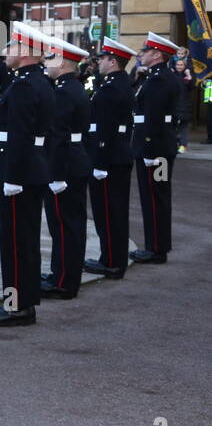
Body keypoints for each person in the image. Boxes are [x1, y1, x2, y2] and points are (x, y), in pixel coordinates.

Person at [0, 22, 54, 327]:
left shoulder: (26, 85)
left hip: (19, 174)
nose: (6, 51)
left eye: (11, 46)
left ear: (25, 52)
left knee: (14, 243)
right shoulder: (33, 81)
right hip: (27, 171)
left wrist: (12, 176)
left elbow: (21, 135)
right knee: (23, 241)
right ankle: (22, 303)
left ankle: (17, 307)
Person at [39, 37, 92, 300]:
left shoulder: (63, 92)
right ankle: (63, 276)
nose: (46, 63)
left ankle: (63, 282)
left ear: (61, 62)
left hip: (66, 166)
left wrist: (56, 174)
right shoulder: (73, 88)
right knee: (70, 225)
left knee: (63, 225)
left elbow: (58, 135)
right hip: (75, 161)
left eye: (50, 58)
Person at [83, 37, 136, 280]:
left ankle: (113, 263)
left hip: (109, 157)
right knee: (113, 212)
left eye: (103, 58)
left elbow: (106, 127)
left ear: (112, 61)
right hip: (116, 155)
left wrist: (100, 162)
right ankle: (112, 259)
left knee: (108, 212)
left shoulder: (113, 87)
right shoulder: (119, 83)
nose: (99, 62)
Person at [130, 32, 182, 265]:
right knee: (154, 196)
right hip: (155, 146)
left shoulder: (160, 79)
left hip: (156, 149)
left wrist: (149, 150)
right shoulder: (154, 77)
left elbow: (155, 117)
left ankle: (156, 249)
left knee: (155, 197)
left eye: (145, 51)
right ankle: (156, 246)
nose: (141, 55)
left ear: (157, 54)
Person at [172, 53, 194, 154]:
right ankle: (175, 144)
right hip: (173, 106)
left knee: (183, 127)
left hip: (184, 106)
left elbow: (191, 88)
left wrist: (189, 75)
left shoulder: (187, 76)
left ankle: (183, 145)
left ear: (184, 66)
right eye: (177, 65)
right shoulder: (172, 75)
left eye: (181, 65)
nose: (179, 67)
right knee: (173, 127)